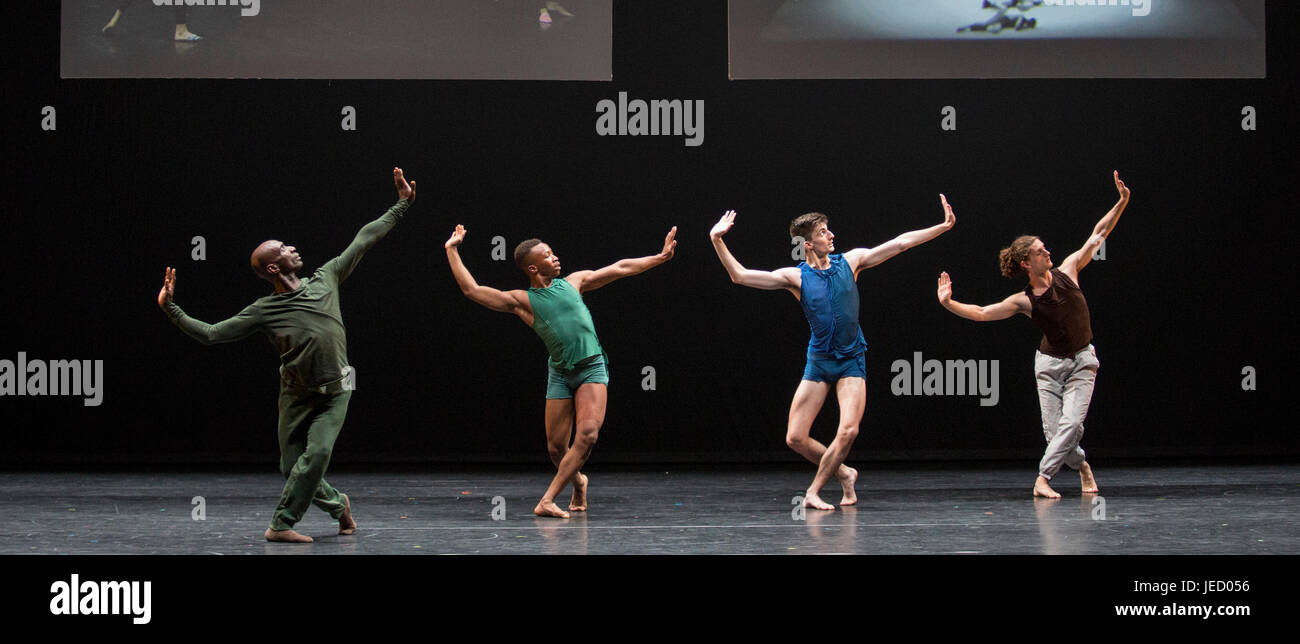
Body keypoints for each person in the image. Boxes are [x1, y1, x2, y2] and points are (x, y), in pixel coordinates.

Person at [156, 167, 416, 542]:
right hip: (295, 394)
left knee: (316, 456)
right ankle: (339, 504)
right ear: (274, 267)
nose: (293, 248)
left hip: (335, 391)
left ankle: (281, 524)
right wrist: (171, 308)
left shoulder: (324, 278)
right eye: (284, 249)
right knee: (291, 466)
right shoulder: (264, 310)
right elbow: (212, 334)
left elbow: (362, 240)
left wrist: (401, 205)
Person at [710, 198, 956, 510]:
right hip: (820, 361)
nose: (832, 236)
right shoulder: (795, 277)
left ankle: (814, 490)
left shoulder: (851, 262)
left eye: (829, 231)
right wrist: (716, 239)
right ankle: (844, 472)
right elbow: (740, 276)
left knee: (849, 429)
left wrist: (942, 227)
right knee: (795, 438)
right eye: (824, 232)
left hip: (851, 359)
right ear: (808, 243)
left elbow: (900, 243)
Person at [445, 223, 676, 517]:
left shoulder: (574, 282)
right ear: (532, 267)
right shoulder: (522, 301)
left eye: (553, 252)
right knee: (556, 448)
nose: (555, 258)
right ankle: (578, 481)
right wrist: (452, 249)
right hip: (560, 373)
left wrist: (660, 256)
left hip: (591, 366)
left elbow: (619, 268)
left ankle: (547, 500)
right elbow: (472, 289)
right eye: (548, 255)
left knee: (588, 434)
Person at [935, 171, 1130, 498]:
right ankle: (1082, 466)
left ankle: (1043, 478)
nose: (1048, 253)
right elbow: (983, 313)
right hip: (1049, 368)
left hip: (1083, 362)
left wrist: (1121, 202)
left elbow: (1098, 234)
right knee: (1055, 433)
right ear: (1026, 263)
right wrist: (949, 302)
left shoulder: (1069, 270)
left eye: (1046, 248)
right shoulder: (1023, 301)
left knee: (1069, 426)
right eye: (1041, 251)